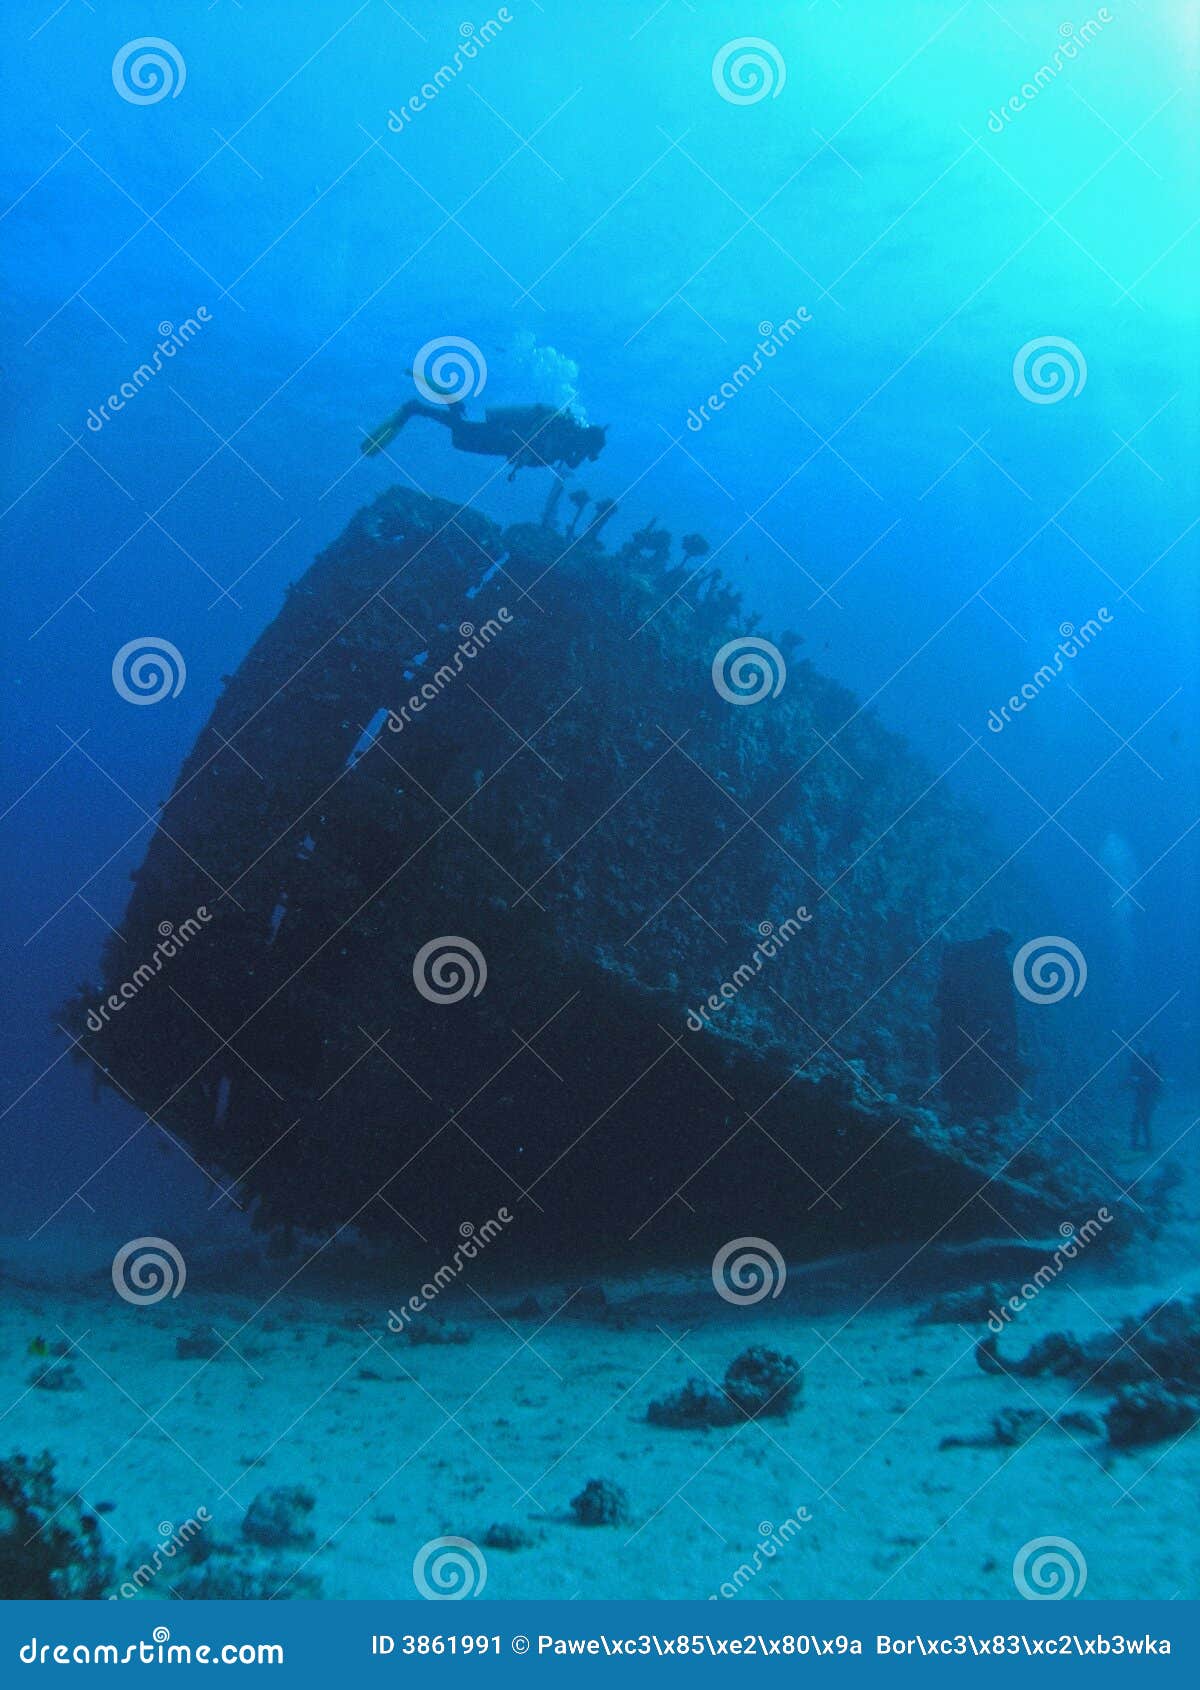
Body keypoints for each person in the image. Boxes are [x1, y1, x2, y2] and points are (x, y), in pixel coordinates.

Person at [362, 389, 607, 480]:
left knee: (460, 440)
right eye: (588, 451)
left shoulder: (568, 445)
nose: (584, 455)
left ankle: (446, 406)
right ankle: (420, 407)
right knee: (462, 431)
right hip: (504, 435)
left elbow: (564, 462)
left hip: (505, 445)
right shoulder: (562, 426)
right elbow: (540, 429)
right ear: (586, 440)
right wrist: (524, 450)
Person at [1127, 1049, 1163, 1151]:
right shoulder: (1139, 1064)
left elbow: (1152, 1082)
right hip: (1142, 1096)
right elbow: (1131, 1081)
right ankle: (1137, 1144)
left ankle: (1146, 1145)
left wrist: (1138, 1081)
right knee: (1139, 1120)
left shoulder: (1149, 1065)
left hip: (1149, 1096)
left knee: (1143, 1120)